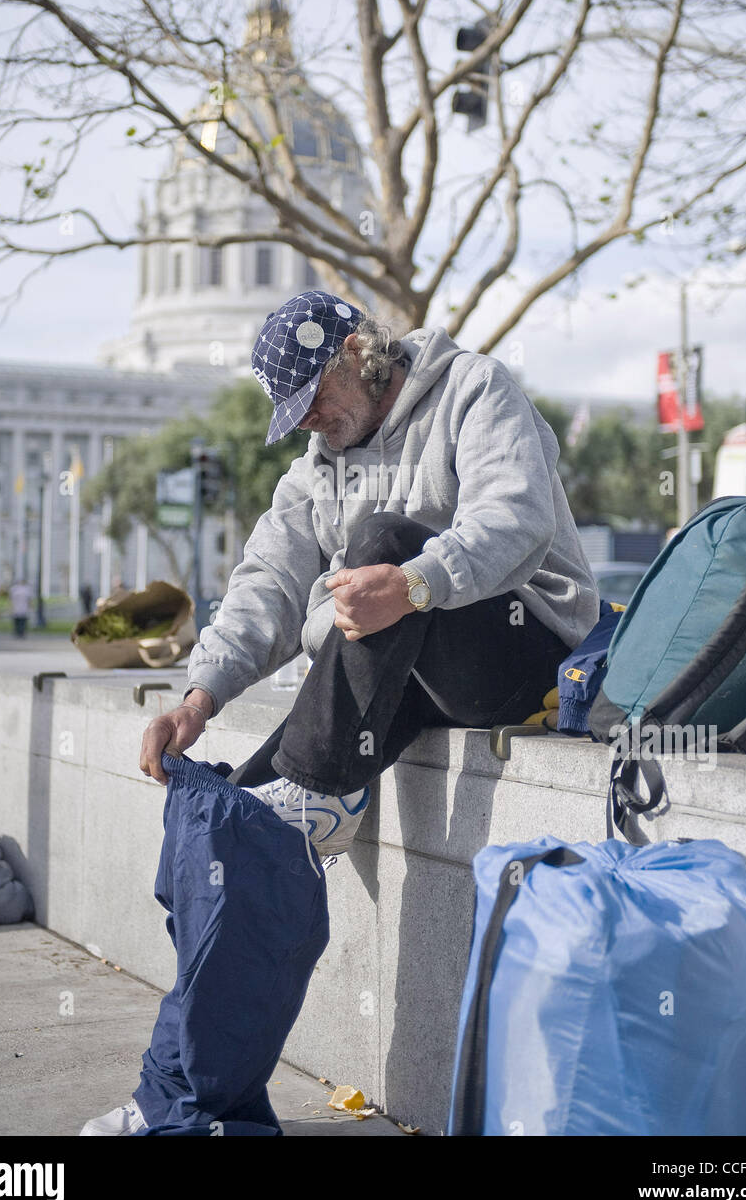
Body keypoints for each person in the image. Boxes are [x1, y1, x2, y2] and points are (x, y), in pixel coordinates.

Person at [81, 290, 600, 1136]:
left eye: (318, 399)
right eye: (299, 415)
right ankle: (188, 1103)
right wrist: (199, 697)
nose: (314, 424)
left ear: (361, 351)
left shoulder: (474, 389)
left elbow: (516, 521)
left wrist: (416, 582)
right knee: (239, 838)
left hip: (518, 650)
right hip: (395, 671)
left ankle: (319, 790)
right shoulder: (319, 466)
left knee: (385, 543)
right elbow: (268, 584)